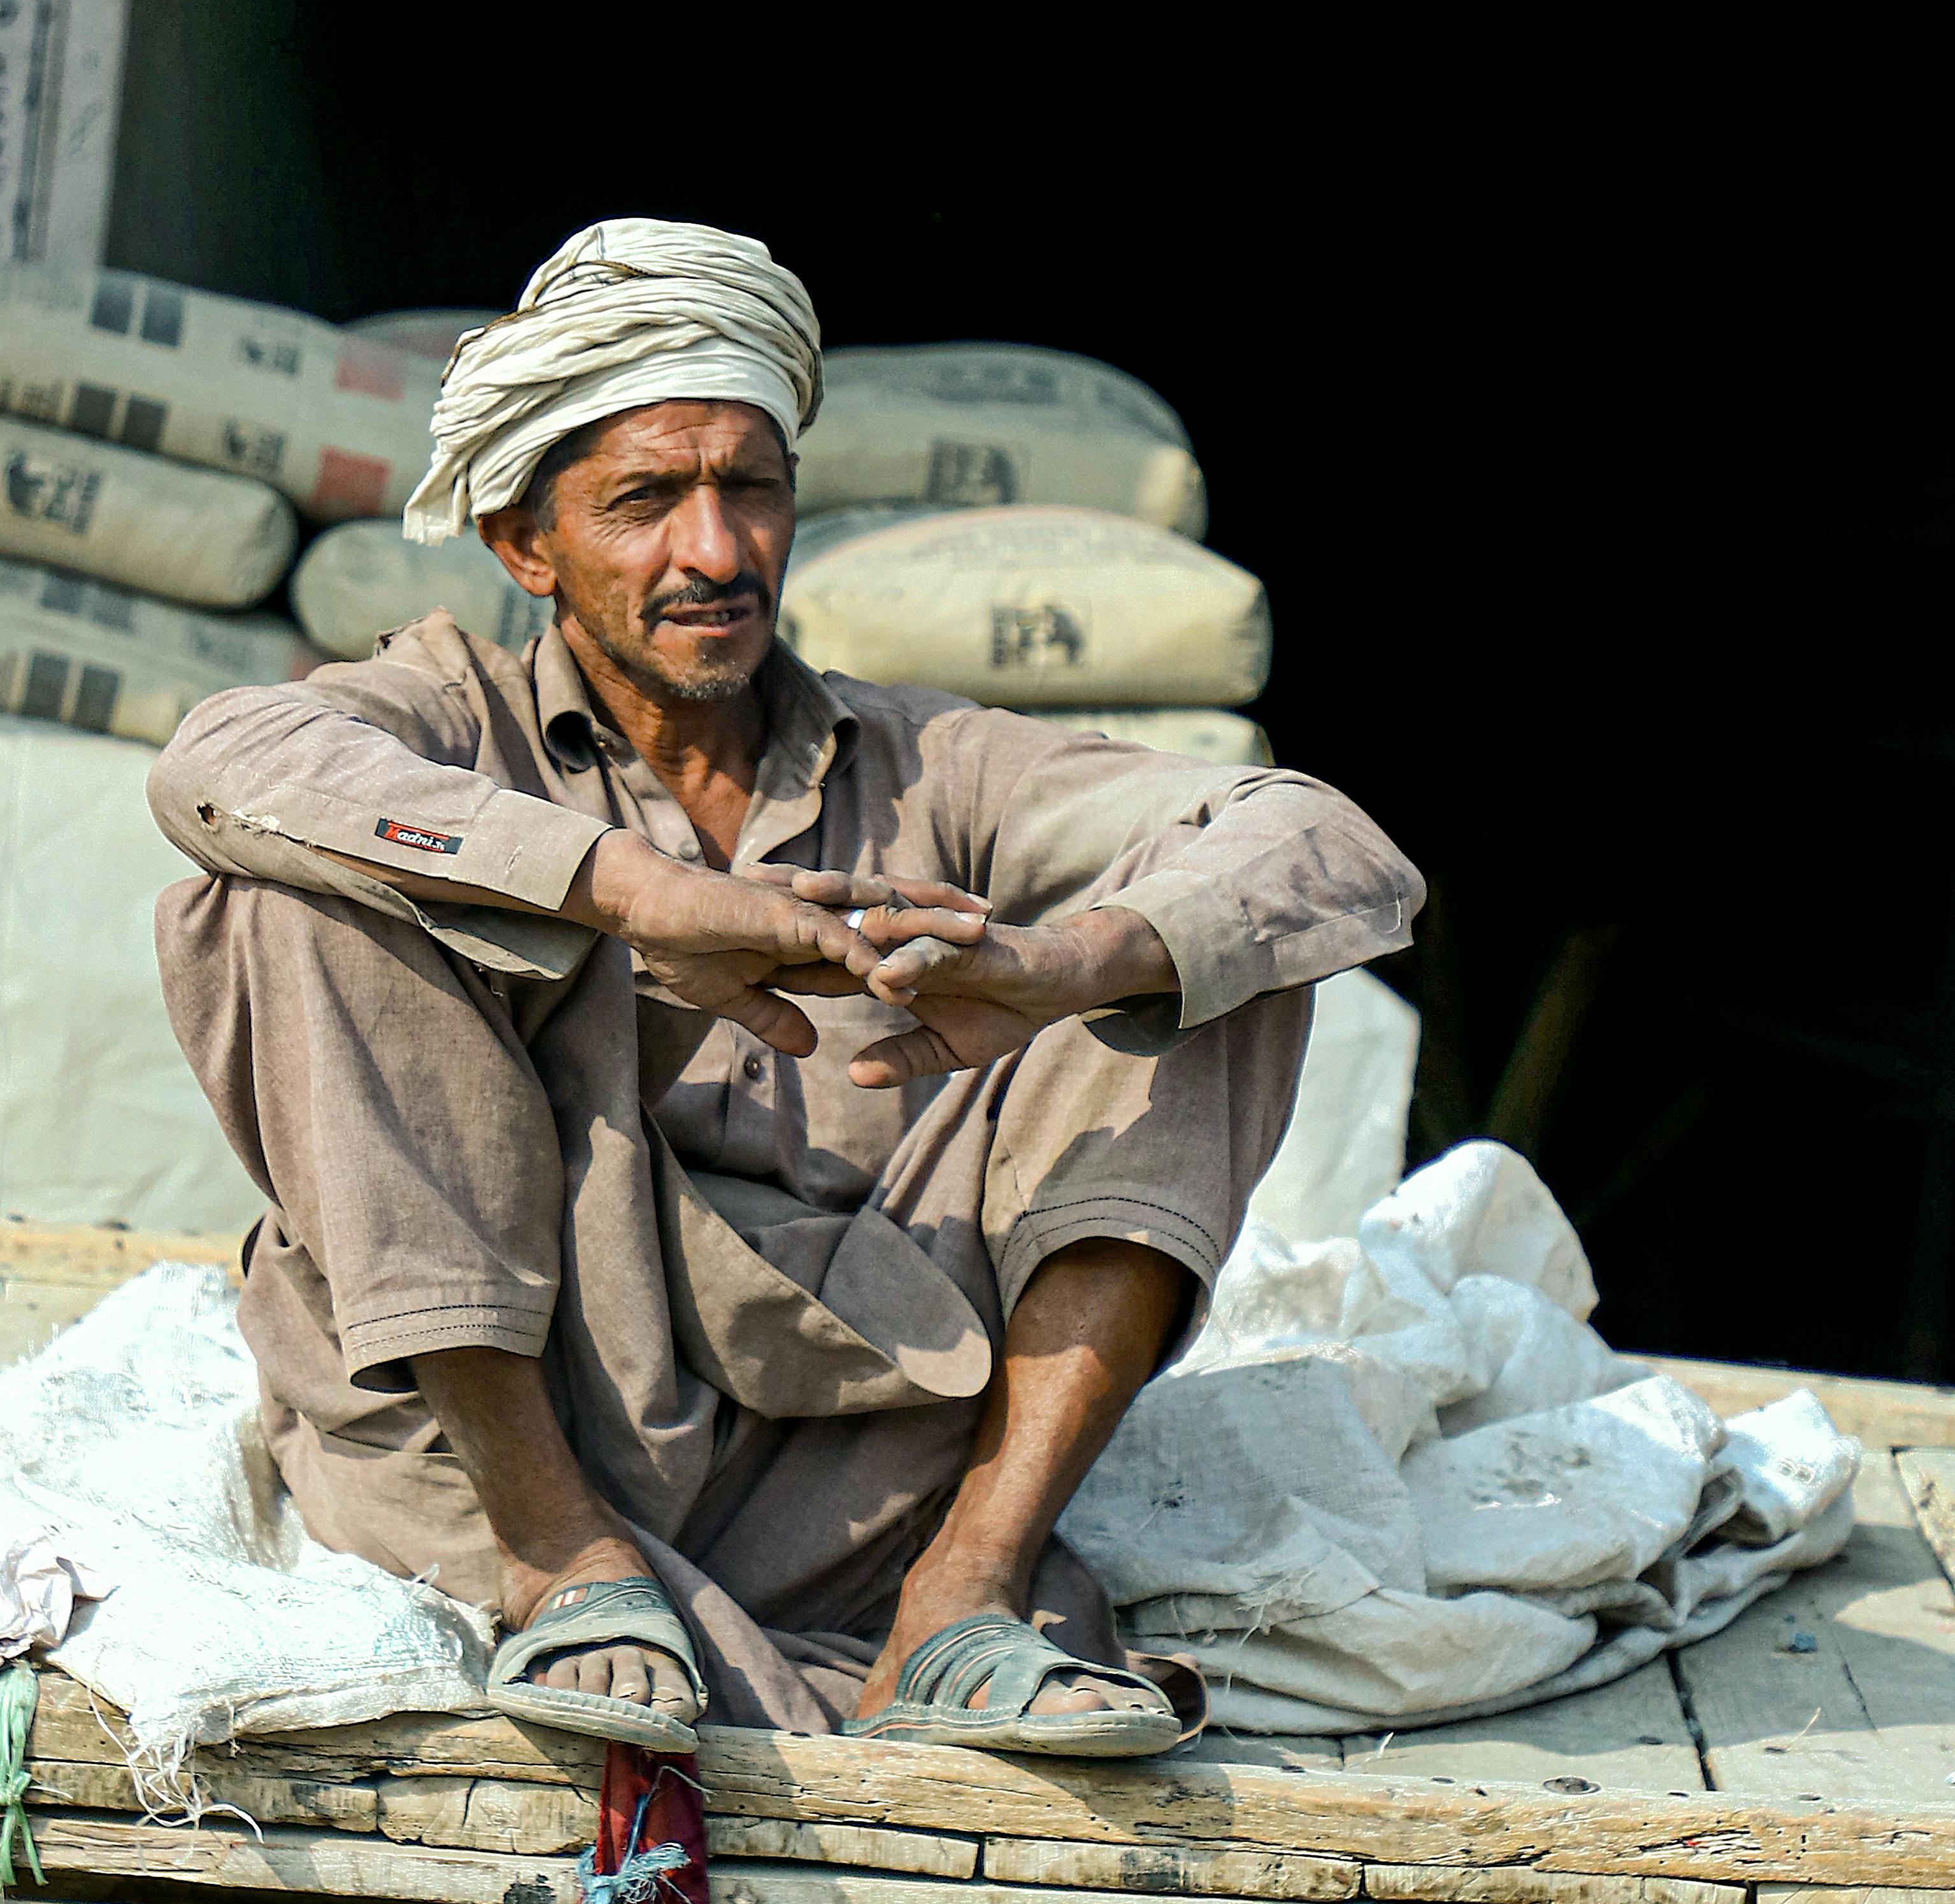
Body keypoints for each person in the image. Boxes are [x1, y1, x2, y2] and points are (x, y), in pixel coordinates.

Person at [147, 221, 1420, 1757]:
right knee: (292, 893)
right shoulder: (438, 714)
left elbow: (1324, 839)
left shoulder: (927, 763)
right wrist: (631, 892)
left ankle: (969, 1593)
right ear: (523, 544)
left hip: (857, 1462)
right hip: (509, 1444)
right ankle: (566, 1562)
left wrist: (1055, 967)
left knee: (1212, 963)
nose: (714, 551)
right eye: (644, 502)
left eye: (748, 489)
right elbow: (224, 763)